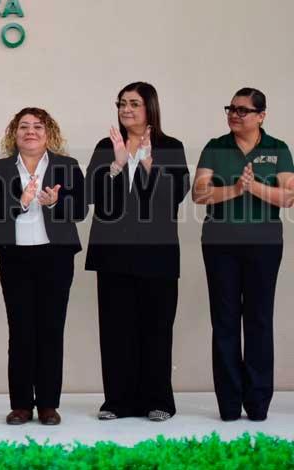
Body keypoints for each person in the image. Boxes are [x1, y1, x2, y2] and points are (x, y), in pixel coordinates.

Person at [85, 82, 190, 422]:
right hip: (113, 253)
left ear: (149, 108)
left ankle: (158, 400)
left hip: (156, 254)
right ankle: (118, 401)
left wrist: (147, 166)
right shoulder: (106, 146)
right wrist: (116, 166)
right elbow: (89, 195)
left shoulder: (170, 146)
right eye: (121, 103)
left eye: (133, 103)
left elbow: (177, 194)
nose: (126, 109)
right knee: (116, 329)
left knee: (156, 328)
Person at [0, 107, 86, 426]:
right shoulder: (1, 168)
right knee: (21, 330)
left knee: (51, 329)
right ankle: (22, 405)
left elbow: (81, 208)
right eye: (24, 126)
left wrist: (56, 203)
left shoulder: (67, 166)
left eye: (38, 126)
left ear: (49, 133)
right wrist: (21, 202)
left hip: (56, 256)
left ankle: (49, 405)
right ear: (14, 134)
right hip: (15, 257)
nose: (30, 132)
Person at [192, 87, 294, 421]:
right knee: (224, 321)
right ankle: (229, 403)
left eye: (243, 110)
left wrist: (254, 187)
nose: (234, 115)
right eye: (231, 109)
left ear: (261, 116)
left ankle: (258, 403)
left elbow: (288, 197)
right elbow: (199, 193)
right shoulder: (215, 147)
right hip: (219, 246)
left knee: (259, 320)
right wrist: (235, 188)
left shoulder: (277, 149)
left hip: (264, 246)